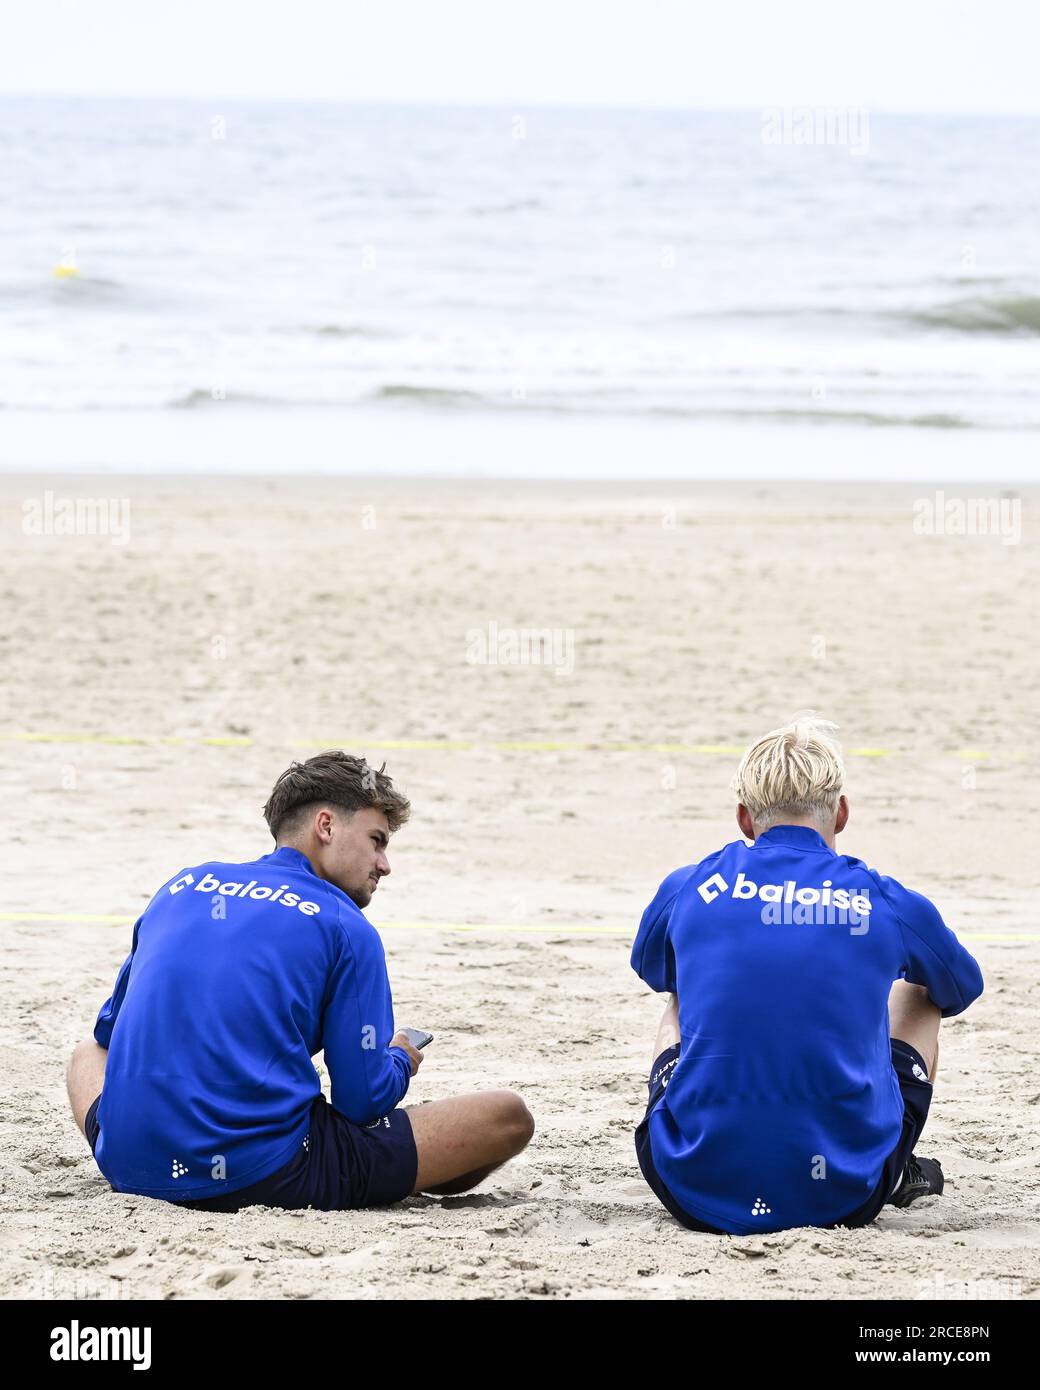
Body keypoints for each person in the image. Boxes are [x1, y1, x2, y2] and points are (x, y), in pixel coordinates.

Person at [66, 751, 533, 1211]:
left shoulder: (184, 884)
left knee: (86, 1055)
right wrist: (399, 1059)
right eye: (377, 840)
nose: (384, 864)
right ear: (326, 826)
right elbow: (362, 1101)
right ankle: (391, 1178)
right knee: (507, 1118)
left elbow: (110, 1034)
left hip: (127, 1162)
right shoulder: (345, 924)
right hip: (260, 1172)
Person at [630, 713, 984, 1236]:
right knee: (923, 991)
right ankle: (889, 1157)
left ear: (744, 819)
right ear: (840, 813)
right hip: (845, 1196)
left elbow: (652, 968)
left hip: (688, 1182)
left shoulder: (691, 884)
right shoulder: (881, 897)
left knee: (682, 995)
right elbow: (961, 986)